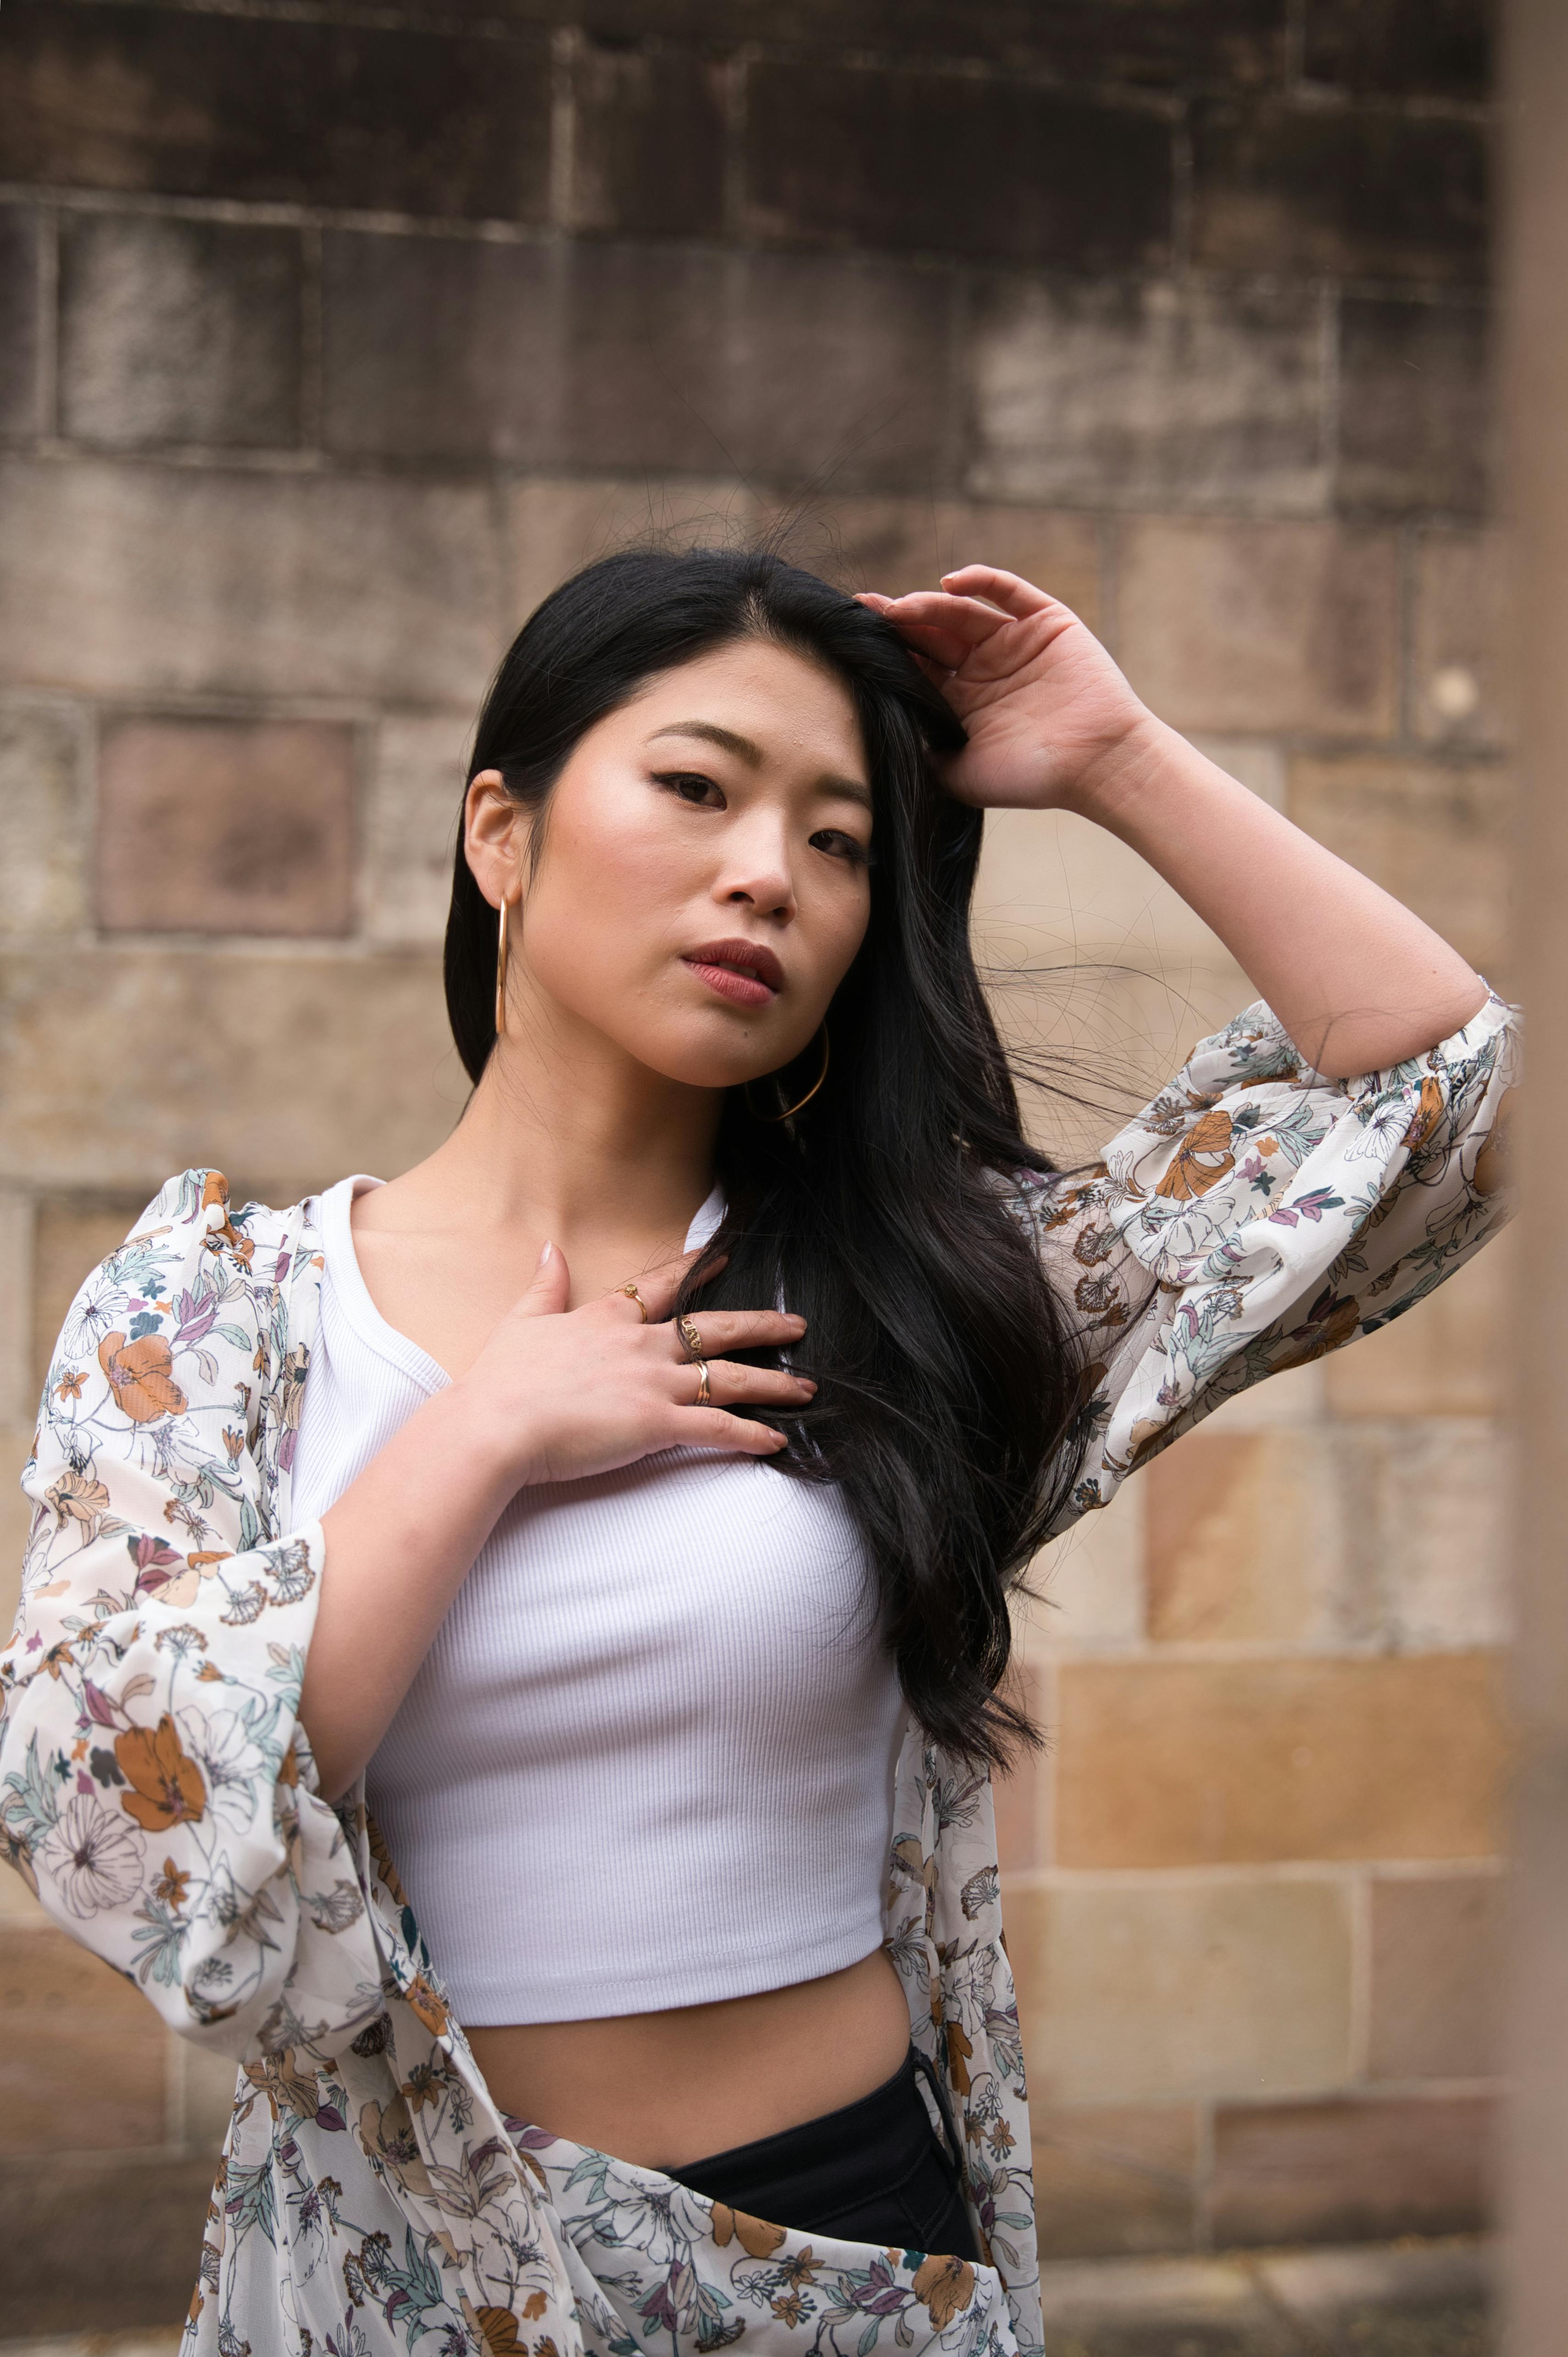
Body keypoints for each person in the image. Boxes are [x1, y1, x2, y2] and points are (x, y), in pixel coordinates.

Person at [0, 552, 1515, 2357]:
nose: (766, 875)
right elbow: (113, 1813)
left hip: (848, 2258)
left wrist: (1115, 753)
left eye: (838, 841)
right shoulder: (217, 1316)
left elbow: (1447, 1112)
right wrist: (485, 1431)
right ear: (504, 829)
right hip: (408, 2270)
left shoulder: (920, 1295)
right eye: (699, 787)